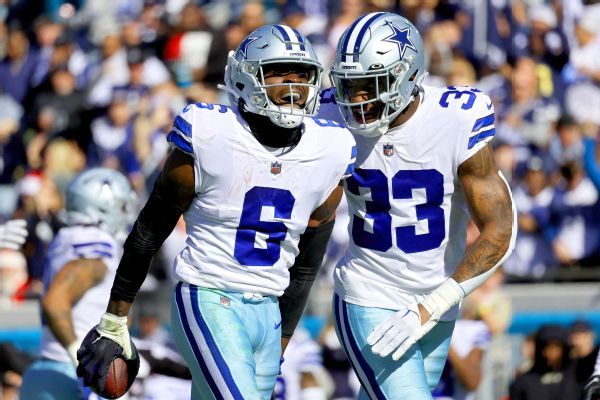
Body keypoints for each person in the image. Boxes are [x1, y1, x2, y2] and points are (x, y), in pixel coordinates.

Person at [76, 24, 356, 399]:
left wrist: (284, 334)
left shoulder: (330, 147)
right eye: (278, 71)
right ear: (244, 78)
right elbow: (149, 230)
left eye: (302, 74)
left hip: (269, 311)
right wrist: (115, 317)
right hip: (209, 296)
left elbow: (308, 260)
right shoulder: (210, 133)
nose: (293, 84)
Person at [319, 12, 516, 398]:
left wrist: (432, 305)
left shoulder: (454, 118)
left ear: (407, 76)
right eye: (350, 85)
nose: (357, 99)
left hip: (437, 301)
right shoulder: (328, 116)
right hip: (368, 294)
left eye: (370, 85)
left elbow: (500, 230)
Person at [19, 167, 136, 400]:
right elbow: (55, 302)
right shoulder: (96, 242)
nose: (125, 214)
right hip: (72, 377)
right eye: (121, 207)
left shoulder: (67, 236)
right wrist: (80, 360)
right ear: (103, 208)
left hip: (46, 370)